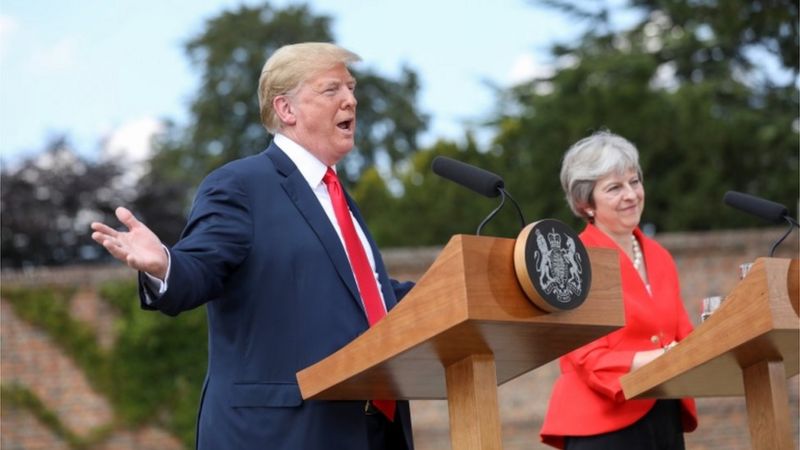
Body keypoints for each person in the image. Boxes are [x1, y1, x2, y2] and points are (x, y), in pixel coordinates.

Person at [91, 42, 414, 450]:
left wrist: (462, 289)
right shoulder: (241, 185)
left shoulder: (338, 200)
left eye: (351, 88)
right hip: (281, 434)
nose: (350, 99)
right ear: (286, 109)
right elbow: (202, 267)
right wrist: (165, 264)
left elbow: (369, 296)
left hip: (371, 433)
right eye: (332, 90)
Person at [539, 131, 698, 449]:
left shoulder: (659, 256)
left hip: (665, 413)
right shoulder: (572, 261)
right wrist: (666, 356)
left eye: (634, 182)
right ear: (586, 205)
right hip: (603, 424)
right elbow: (590, 358)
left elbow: (685, 335)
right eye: (614, 188)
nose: (631, 195)